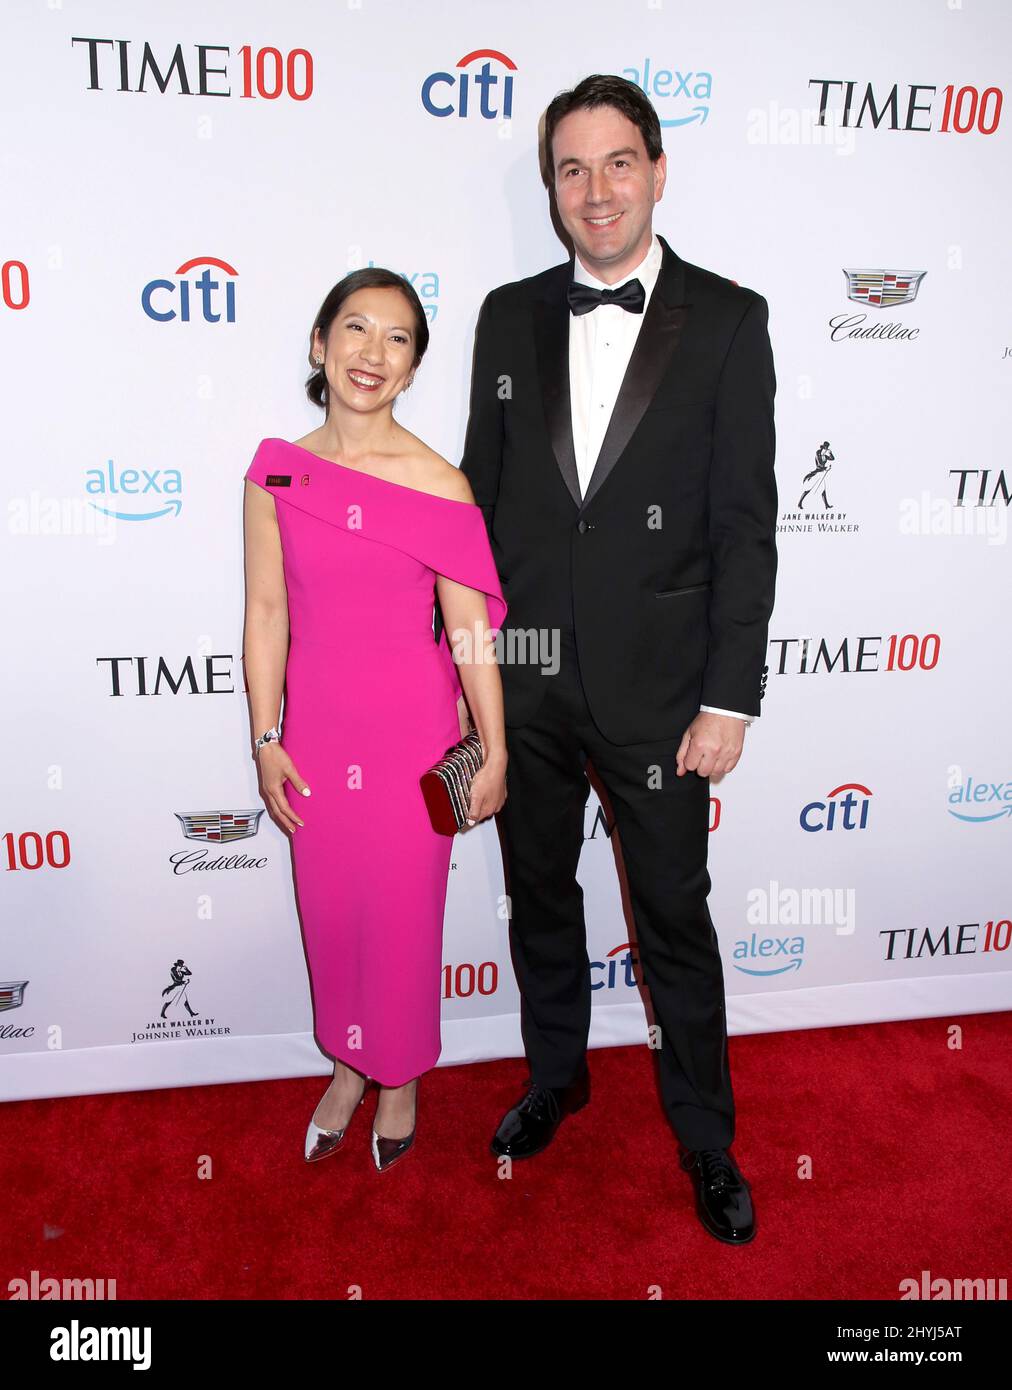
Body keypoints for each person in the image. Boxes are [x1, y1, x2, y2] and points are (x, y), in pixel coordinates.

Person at [459, 75, 777, 1242]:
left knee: (673, 916)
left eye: (616, 163)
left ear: (657, 168)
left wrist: (727, 696)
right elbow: (478, 508)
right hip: (528, 674)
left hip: (662, 692)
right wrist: (472, 674)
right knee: (538, 892)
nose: (595, 192)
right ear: (550, 185)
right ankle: (557, 1075)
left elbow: (747, 525)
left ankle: (705, 1136)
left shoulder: (730, 318)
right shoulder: (506, 314)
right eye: (571, 169)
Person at [242, 267, 507, 1173]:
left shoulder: (440, 482)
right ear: (320, 345)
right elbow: (267, 613)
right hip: (317, 740)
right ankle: (349, 1064)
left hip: (411, 741)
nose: (372, 353)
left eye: (397, 339)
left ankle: (399, 1076)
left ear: (412, 367)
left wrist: (496, 749)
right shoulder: (277, 468)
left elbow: (470, 630)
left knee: (401, 915)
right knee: (331, 914)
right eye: (355, 329)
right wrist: (267, 739)